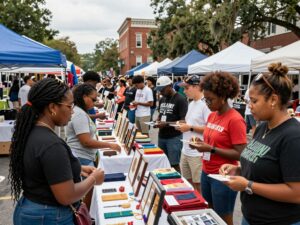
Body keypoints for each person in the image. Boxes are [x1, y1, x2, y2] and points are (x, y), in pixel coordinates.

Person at [9, 78, 105, 225]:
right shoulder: (51, 144)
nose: (72, 111)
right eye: (69, 106)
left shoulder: (31, 131)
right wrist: (93, 179)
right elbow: (67, 196)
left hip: (31, 208)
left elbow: (42, 170)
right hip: (49, 216)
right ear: (53, 107)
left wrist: (78, 168)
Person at [220, 63, 300, 225]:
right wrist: (239, 169)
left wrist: (248, 185)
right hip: (250, 217)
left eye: (254, 101)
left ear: (273, 100)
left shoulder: (293, 137)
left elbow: (296, 193)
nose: (249, 106)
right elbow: (267, 168)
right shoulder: (263, 126)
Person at [190, 71, 247, 225]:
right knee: (209, 213)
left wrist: (211, 149)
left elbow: (241, 154)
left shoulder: (235, 119)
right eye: (205, 99)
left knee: (223, 217)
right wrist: (199, 142)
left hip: (223, 177)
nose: (207, 103)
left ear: (222, 97)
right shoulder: (212, 115)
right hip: (206, 172)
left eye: (210, 99)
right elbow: (211, 140)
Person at [66, 83, 121, 167]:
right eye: (93, 100)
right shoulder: (80, 114)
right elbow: (86, 142)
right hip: (82, 158)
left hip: (83, 157)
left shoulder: (81, 111)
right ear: (84, 97)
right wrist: (110, 145)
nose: (94, 103)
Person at [176, 75, 211, 193]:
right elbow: (191, 123)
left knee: (198, 185)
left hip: (197, 152)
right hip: (186, 150)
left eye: (187, 88)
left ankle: (202, 209)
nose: (184, 91)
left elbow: (210, 129)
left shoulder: (206, 105)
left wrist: (189, 127)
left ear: (196, 87)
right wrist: (182, 124)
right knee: (188, 184)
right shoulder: (191, 103)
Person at [155, 76, 188, 172]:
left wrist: (166, 124)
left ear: (170, 86)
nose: (160, 92)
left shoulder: (180, 99)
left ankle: (178, 184)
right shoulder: (162, 99)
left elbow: (184, 121)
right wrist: (157, 121)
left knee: (174, 164)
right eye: (159, 90)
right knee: (162, 162)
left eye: (162, 89)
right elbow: (160, 115)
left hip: (174, 137)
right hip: (162, 136)